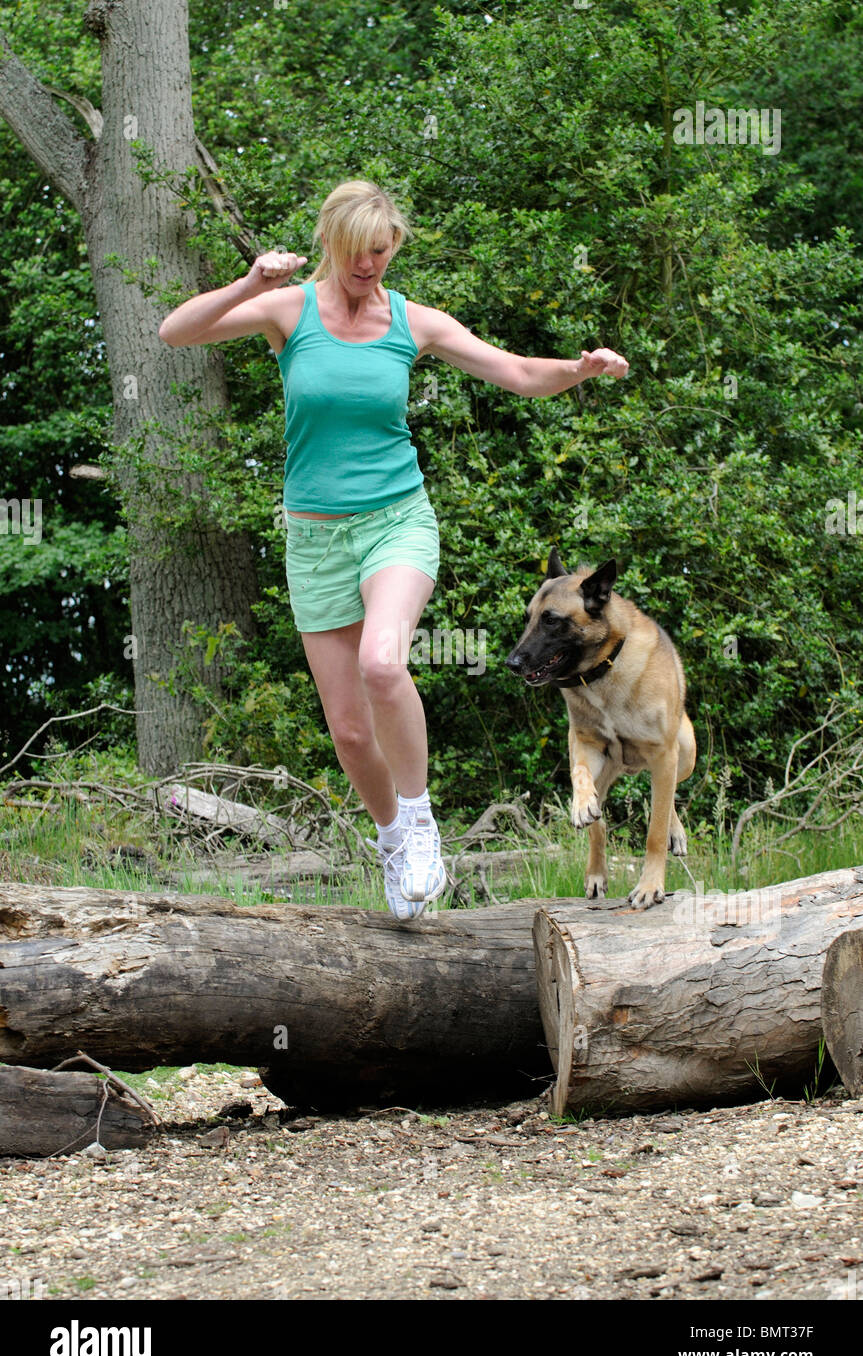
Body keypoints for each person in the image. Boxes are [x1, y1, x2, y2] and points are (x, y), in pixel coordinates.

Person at [159, 179, 629, 921]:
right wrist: (248, 281)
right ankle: (388, 839)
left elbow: (511, 371)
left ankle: (418, 825)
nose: (370, 266)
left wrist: (576, 371)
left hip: (394, 523)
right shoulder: (289, 310)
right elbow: (174, 333)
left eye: (382, 252)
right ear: (330, 246)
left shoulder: (412, 320)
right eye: (358, 254)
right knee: (348, 729)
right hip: (313, 540)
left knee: (384, 663)